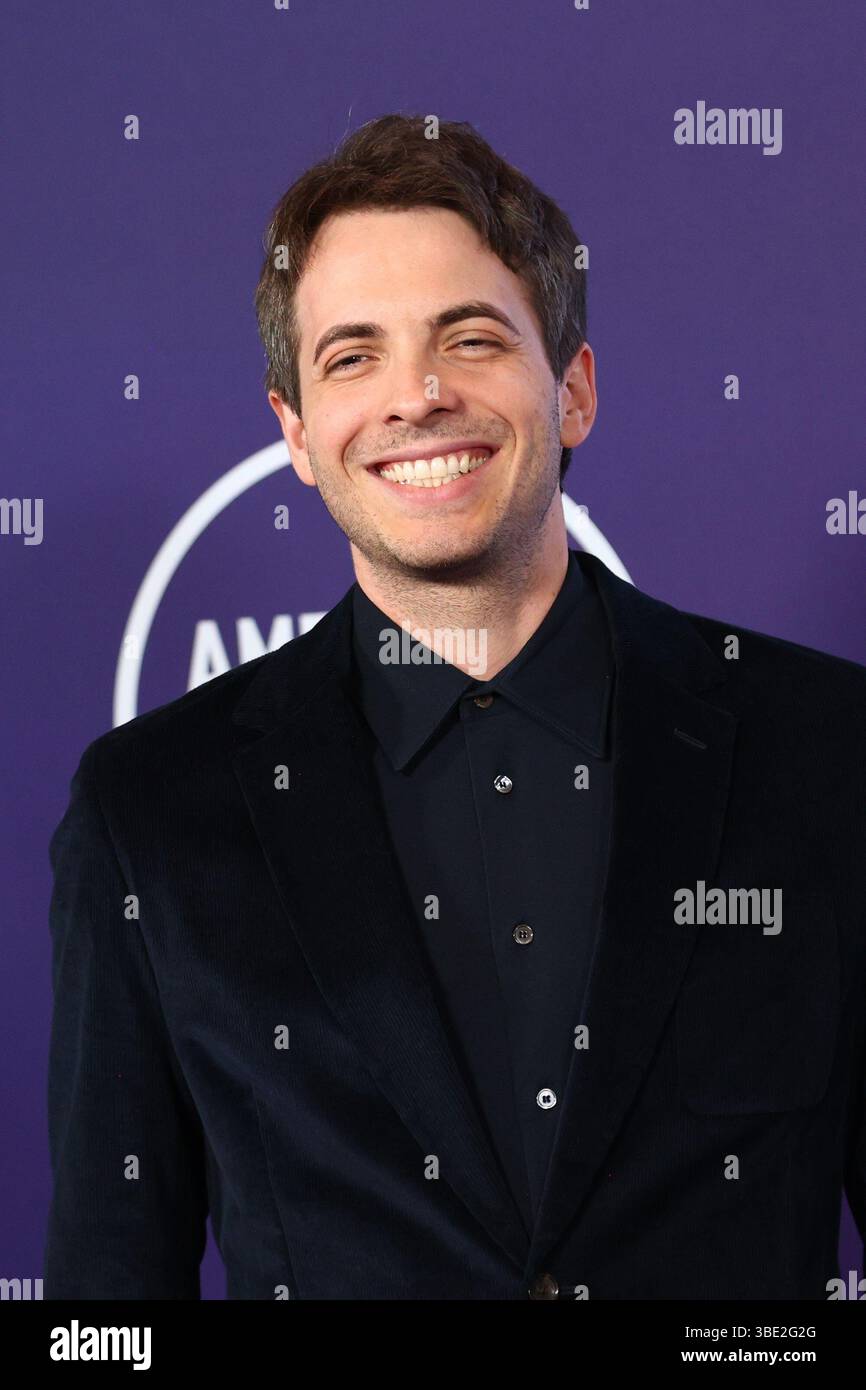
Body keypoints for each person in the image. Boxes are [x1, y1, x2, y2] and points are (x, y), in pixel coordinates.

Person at [44, 114, 866, 1300]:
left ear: (572, 389)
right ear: (295, 437)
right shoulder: (152, 812)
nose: (416, 397)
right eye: (350, 356)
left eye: (469, 338)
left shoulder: (824, 751)